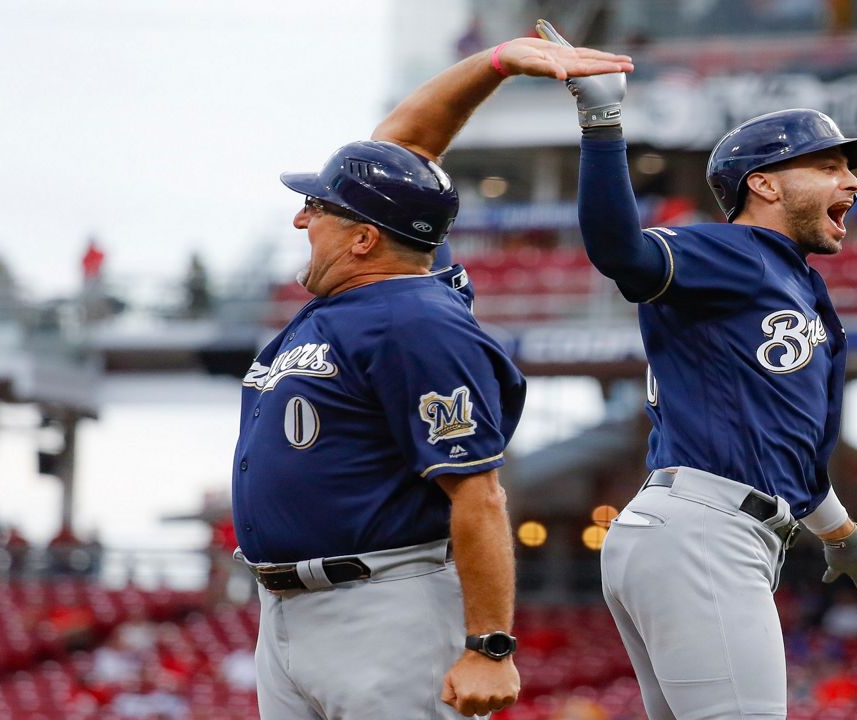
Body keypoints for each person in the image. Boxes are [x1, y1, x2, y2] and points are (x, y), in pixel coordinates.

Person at [229, 36, 632, 720]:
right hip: (288, 612)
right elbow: (401, 147)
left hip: (384, 609)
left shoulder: (416, 320)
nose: (302, 218)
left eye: (318, 209)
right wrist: (496, 62)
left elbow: (478, 495)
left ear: (363, 239)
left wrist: (491, 645)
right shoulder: (374, 295)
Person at [535, 19, 857, 719]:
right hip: (704, 529)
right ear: (765, 185)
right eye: (830, 166)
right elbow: (621, 252)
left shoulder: (796, 283)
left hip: (707, 529)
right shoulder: (730, 252)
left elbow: (787, 444)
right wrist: (602, 119)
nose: (854, 182)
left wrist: (842, 536)